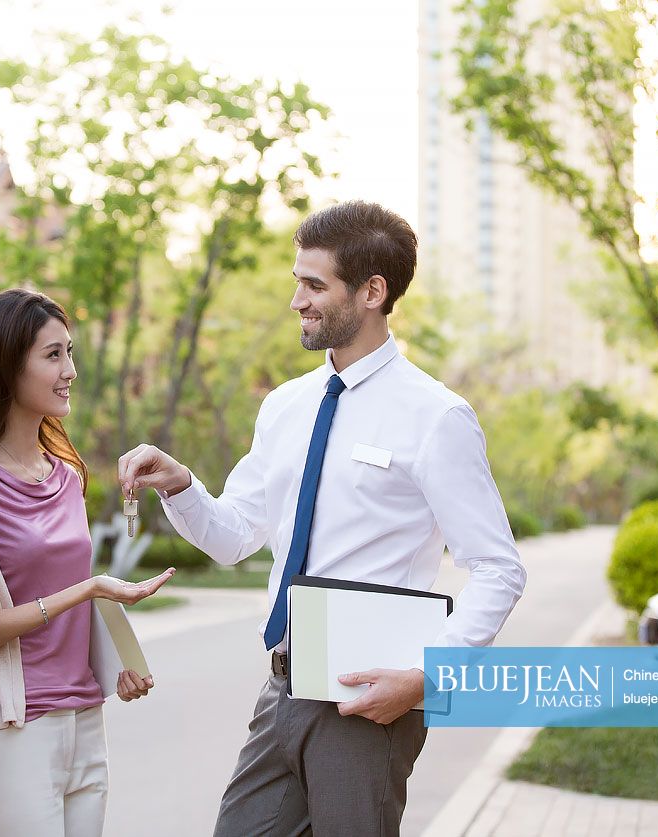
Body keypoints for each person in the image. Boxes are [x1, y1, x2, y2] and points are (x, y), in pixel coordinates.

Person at [118, 200, 527, 836]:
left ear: (372, 292)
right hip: (282, 690)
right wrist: (182, 487)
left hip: (369, 701)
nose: (297, 301)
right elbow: (234, 537)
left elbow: (498, 569)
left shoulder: (437, 417)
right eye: (296, 282)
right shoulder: (285, 406)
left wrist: (423, 679)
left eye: (314, 285)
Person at [0, 288, 175, 837]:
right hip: (12, 727)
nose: (69, 370)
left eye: (69, 352)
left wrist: (115, 663)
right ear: (4, 365)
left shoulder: (66, 475)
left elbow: (72, 589)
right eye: (52, 355)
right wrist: (91, 588)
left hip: (85, 716)